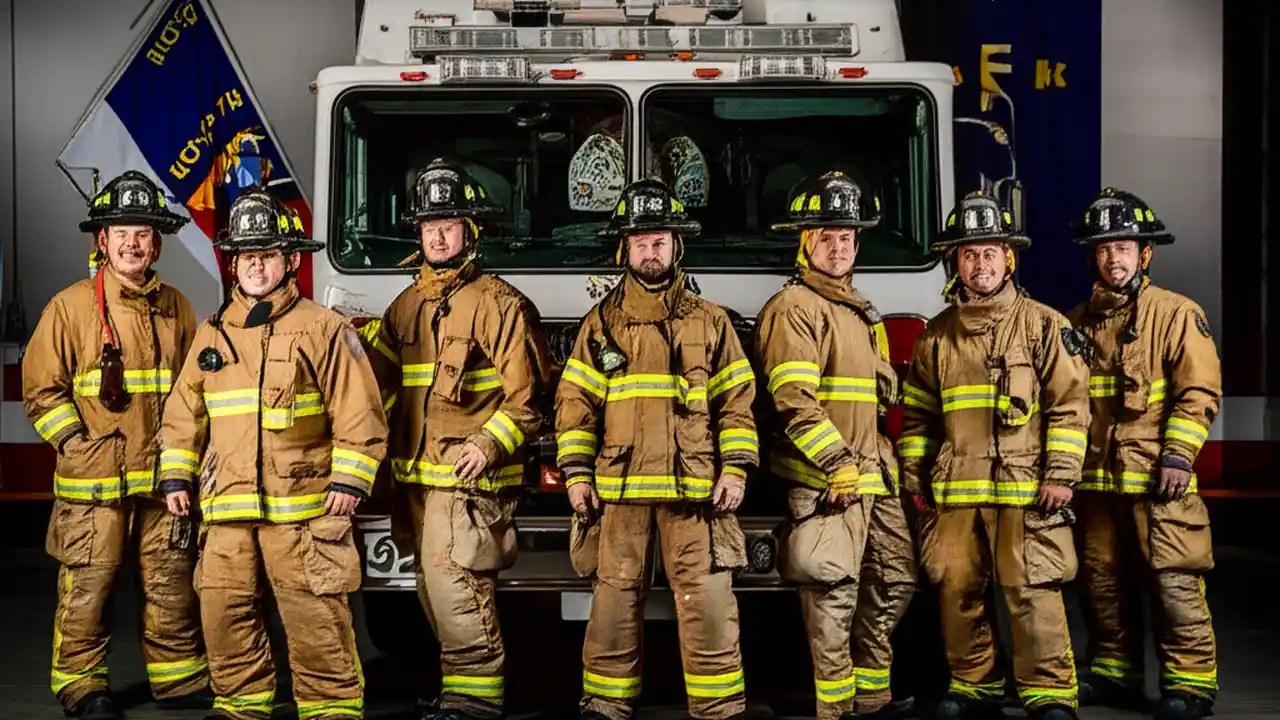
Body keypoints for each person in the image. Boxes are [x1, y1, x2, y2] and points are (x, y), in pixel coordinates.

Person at [159, 189, 387, 720]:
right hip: (227, 513)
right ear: (233, 263)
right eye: (247, 256)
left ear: (289, 261)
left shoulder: (324, 328)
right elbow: (183, 413)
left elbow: (360, 411)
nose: (256, 266)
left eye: (267, 255)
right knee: (224, 614)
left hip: (304, 512)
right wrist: (176, 477)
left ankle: (331, 710)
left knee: (315, 619)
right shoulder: (212, 334)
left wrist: (350, 481)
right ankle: (241, 706)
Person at [555, 179, 758, 720]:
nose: (651, 251)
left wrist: (736, 469)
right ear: (625, 248)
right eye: (641, 242)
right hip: (620, 495)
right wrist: (577, 475)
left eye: (660, 241)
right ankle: (605, 703)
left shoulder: (710, 321)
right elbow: (575, 406)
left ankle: (718, 708)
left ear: (676, 245)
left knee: (708, 603)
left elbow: (736, 404)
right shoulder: (600, 324)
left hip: (695, 494)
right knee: (612, 604)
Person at [364, 158, 552, 720]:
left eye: (449, 225)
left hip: (468, 479)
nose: (439, 236)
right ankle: (459, 692)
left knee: (456, 585)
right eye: (430, 226)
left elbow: (528, 400)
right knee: (431, 586)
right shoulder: (405, 307)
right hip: (417, 481)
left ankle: (474, 699)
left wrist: (487, 445)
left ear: (470, 231)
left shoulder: (500, 304)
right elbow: (374, 387)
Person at [23, 170, 209, 720]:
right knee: (89, 586)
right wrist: (75, 442)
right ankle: (82, 686)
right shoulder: (69, 308)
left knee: (171, 584)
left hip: (162, 484)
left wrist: (183, 464)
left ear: (157, 243)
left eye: (143, 232)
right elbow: (41, 390)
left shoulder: (178, 307)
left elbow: (191, 392)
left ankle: (178, 681)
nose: (132, 243)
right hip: (93, 485)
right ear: (102, 241)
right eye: (121, 232)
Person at [897, 191, 1089, 720]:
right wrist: (916, 476)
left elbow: (1070, 407)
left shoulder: (1045, 325)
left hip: (1028, 492)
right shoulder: (936, 337)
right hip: (957, 492)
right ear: (955, 262)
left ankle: (1049, 693)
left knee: (1032, 590)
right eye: (969, 254)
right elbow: (919, 418)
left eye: (989, 253)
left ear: (1009, 259)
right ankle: (973, 684)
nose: (980, 264)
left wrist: (1061, 475)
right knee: (956, 589)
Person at [754, 171, 916, 720]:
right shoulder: (795, 308)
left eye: (846, 237)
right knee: (833, 589)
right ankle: (837, 707)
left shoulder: (859, 310)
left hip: (872, 473)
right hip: (826, 479)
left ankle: (872, 696)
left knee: (893, 578)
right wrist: (837, 464)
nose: (838, 247)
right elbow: (794, 401)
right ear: (805, 243)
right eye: (826, 237)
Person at [1067, 188, 1221, 720]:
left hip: (1159, 483)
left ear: (1145, 253)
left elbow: (1198, 392)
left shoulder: (1177, 314)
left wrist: (1178, 455)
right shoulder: (1077, 324)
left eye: (1124, 247)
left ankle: (1191, 685)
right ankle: (1115, 675)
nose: (1114, 258)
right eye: (1104, 248)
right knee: (1101, 584)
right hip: (1095, 484)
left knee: (1174, 582)